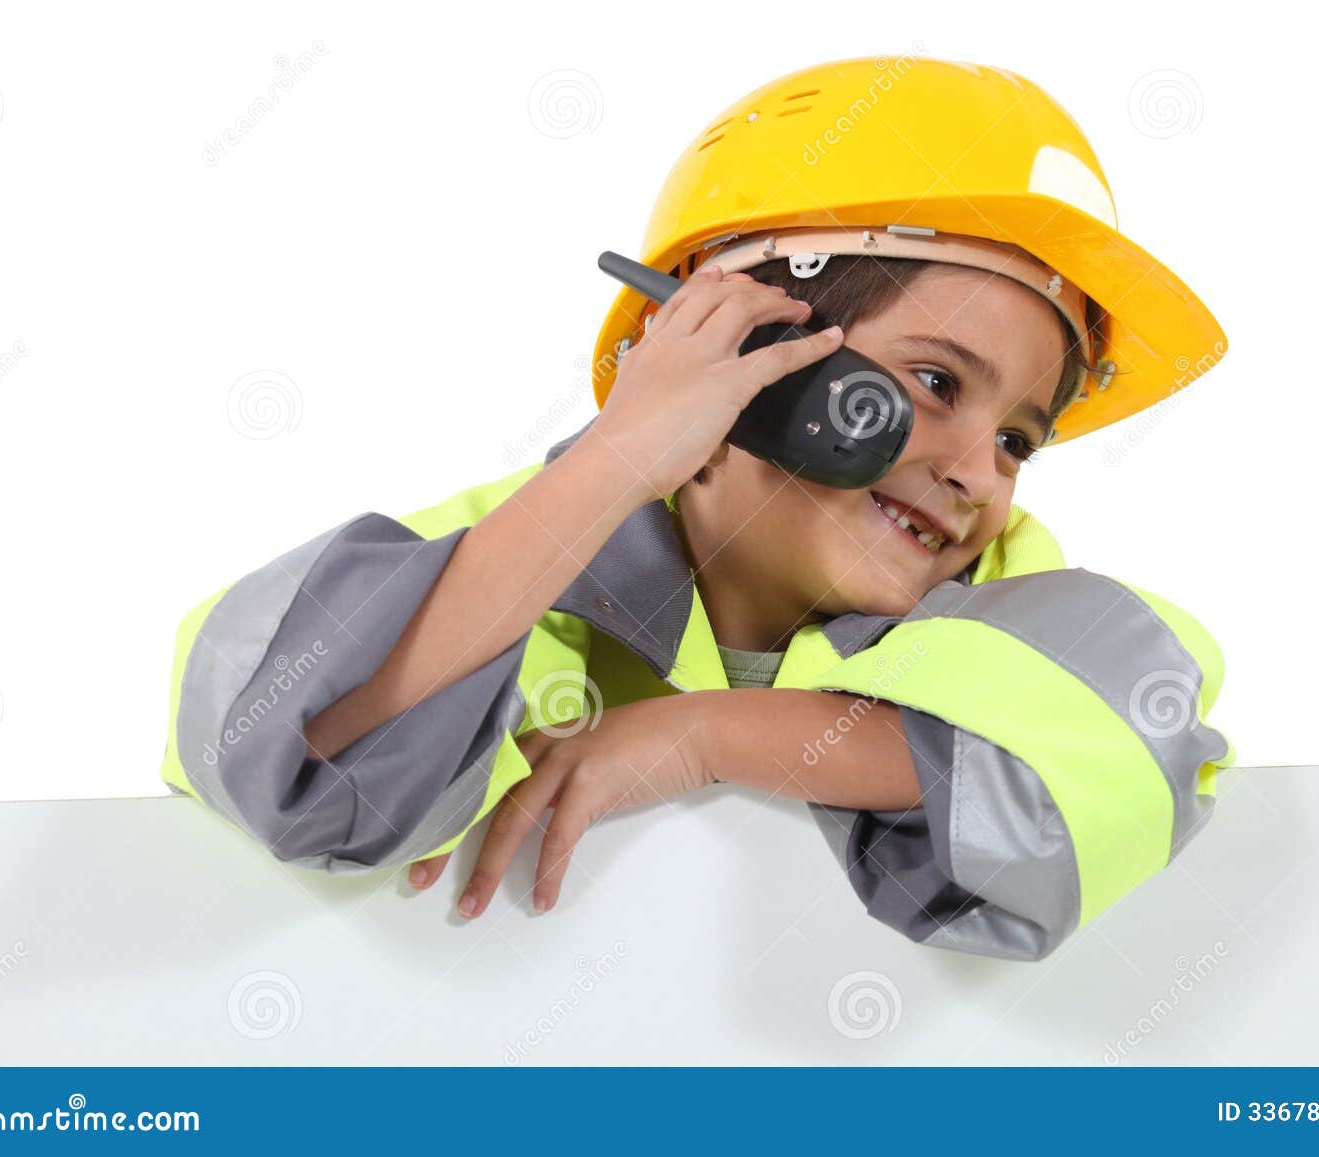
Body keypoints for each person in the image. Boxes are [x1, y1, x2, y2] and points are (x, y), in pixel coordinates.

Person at [158, 57, 1234, 962]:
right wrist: (625, 451)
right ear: (745, 349)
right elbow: (285, 753)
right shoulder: (506, 562)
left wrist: (708, 733)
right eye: (935, 383)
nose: (975, 473)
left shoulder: (998, 594)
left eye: (1017, 440)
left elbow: (1129, 753)